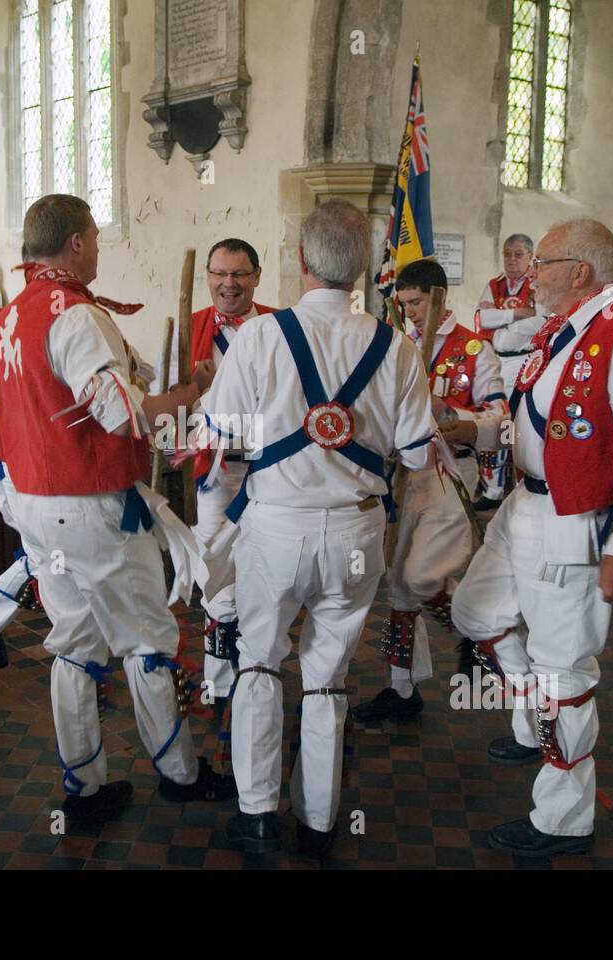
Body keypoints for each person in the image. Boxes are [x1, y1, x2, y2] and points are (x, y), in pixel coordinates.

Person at [0, 193, 232, 823]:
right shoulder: (74, 316)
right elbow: (120, 414)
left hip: (35, 504)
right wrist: (191, 390)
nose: (97, 246)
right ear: (73, 243)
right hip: (90, 504)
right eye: (94, 235)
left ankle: (85, 787)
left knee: (76, 643)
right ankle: (178, 774)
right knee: (147, 638)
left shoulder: (9, 315)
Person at [201, 199, 437, 859]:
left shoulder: (259, 337)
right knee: (329, 673)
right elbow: (418, 455)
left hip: (275, 528)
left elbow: (218, 436)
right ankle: (319, 821)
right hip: (358, 533)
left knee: (258, 663)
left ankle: (255, 815)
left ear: (300, 264)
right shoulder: (396, 346)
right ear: (361, 267)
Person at [449, 218, 613, 857]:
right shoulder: (563, 330)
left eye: (542, 262)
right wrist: (470, 430)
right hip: (522, 508)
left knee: (563, 671)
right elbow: (532, 422)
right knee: (475, 613)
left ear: (579, 271)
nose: (530, 274)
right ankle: (534, 726)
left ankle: (562, 819)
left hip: (571, 523)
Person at [351, 258, 505, 724]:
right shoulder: (397, 347)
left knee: (420, 578)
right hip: (403, 479)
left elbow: (500, 422)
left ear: (438, 296)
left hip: (450, 477)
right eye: (404, 304)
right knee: (398, 588)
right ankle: (402, 690)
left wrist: (449, 415)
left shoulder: (475, 349)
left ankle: (478, 631)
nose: (411, 312)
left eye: (417, 302)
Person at [165, 238, 275, 770]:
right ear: (207, 275)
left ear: (257, 276)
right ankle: (219, 678)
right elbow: (168, 402)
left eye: (239, 273)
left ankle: (261, 667)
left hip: (274, 471)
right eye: (219, 273)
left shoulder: (281, 326)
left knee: (269, 569)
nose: (228, 283)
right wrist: (188, 390)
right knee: (214, 571)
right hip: (216, 475)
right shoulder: (186, 330)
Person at [473, 233, 543, 511]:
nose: (512, 260)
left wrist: (501, 323)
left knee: (513, 423)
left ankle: (519, 486)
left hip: (523, 362)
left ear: (530, 257)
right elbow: (480, 318)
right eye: (507, 254)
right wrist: (515, 315)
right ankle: (493, 487)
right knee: (493, 420)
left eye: (518, 254)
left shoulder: (537, 284)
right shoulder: (495, 285)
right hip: (493, 359)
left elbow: (541, 321)